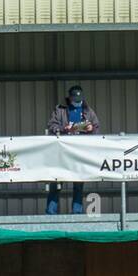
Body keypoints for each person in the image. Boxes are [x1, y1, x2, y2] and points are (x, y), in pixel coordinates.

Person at [45, 84, 100, 215]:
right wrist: (64, 129)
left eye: (79, 101)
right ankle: (51, 212)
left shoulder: (88, 110)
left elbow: (97, 127)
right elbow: (51, 125)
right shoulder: (60, 110)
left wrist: (91, 129)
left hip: (79, 151)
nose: (78, 103)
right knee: (56, 181)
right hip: (61, 151)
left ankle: (77, 212)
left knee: (79, 182)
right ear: (69, 98)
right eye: (75, 101)